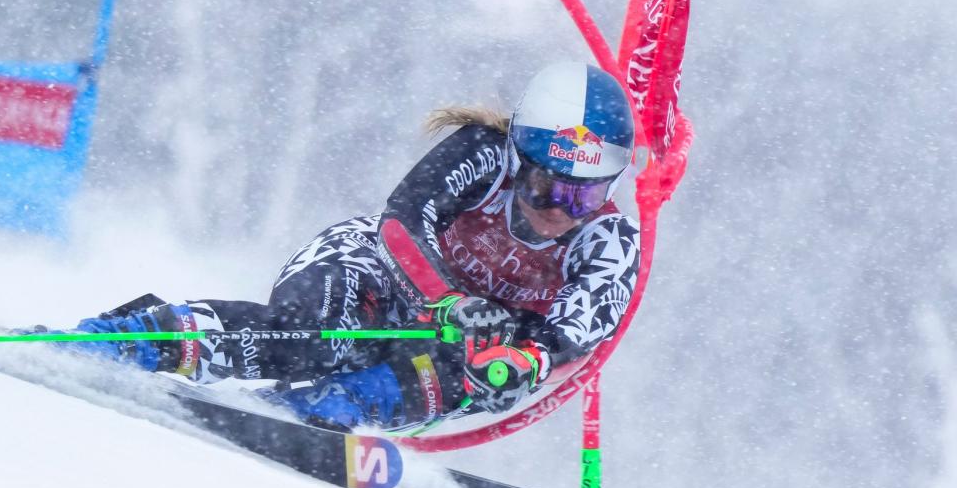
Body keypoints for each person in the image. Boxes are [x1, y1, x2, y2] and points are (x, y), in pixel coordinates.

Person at [49, 61, 640, 433]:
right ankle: (141, 339)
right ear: (519, 156)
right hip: (381, 268)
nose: (557, 211)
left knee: (493, 369)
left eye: (581, 198)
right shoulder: (484, 151)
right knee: (321, 333)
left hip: (461, 341)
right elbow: (405, 222)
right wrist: (446, 300)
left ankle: (343, 406)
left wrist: (528, 357)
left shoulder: (610, 239)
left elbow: (576, 330)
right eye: (542, 185)